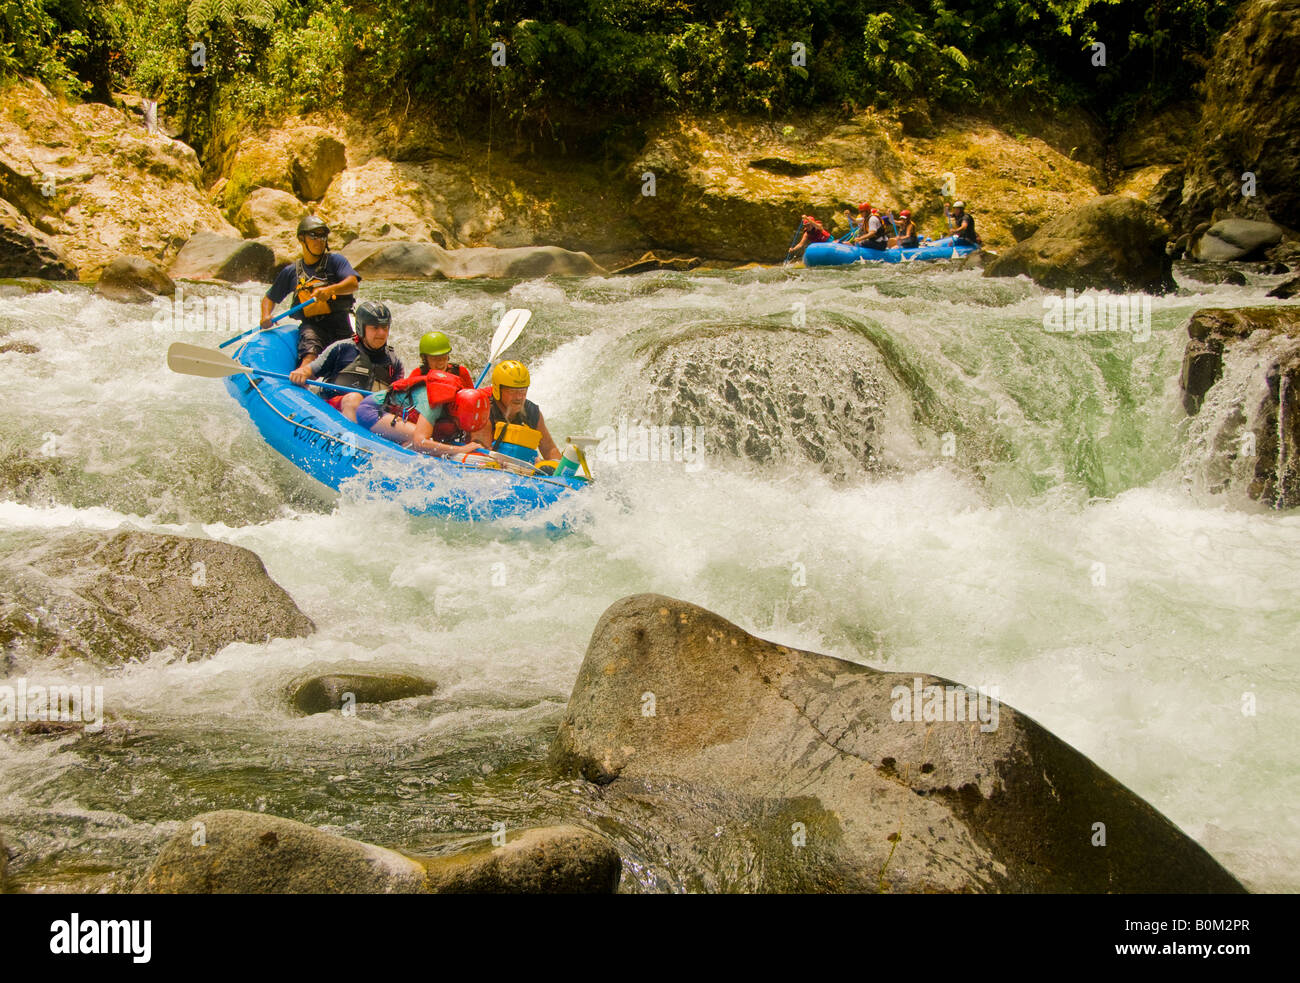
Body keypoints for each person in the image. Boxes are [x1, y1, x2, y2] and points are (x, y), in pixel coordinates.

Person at [288, 300, 431, 449]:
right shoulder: (342, 348)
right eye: (375, 328)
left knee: (416, 431)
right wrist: (301, 373)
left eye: (385, 327)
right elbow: (310, 371)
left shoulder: (394, 362)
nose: (381, 333)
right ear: (361, 329)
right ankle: (355, 447)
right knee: (354, 399)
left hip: (371, 416)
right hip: (334, 409)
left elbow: (396, 401)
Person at [260, 215, 360, 376]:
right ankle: (300, 384)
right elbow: (269, 298)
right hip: (313, 327)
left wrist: (330, 290)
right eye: (314, 235)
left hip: (340, 323)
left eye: (322, 235)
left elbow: (353, 283)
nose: (319, 240)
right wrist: (266, 315)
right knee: (310, 356)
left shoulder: (336, 261)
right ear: (302, 239)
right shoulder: (291, 272)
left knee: (354, 367)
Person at [471, 360, 561, 465]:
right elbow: (484, 453)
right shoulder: (485, 411)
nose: (519, 397)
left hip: (522, 468)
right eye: (512, 391)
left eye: (523, 391)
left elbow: (550, 449)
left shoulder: (533, 412)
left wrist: (557, 467)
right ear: (497, 390)